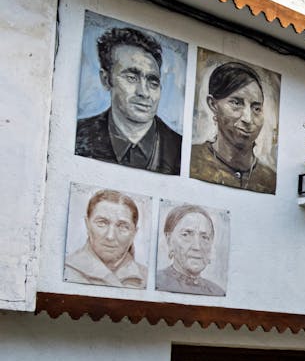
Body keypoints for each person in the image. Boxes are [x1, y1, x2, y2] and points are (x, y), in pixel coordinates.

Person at [75, 26, 182, 174]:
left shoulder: (179, 149)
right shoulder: (77, 136)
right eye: (131, 78)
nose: (144, 93)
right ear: (106, 80)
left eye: (153, 83)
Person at [190, 61, 276, 193]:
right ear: (213, 104)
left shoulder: (270, 179)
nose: (248, 119)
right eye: (236, 103)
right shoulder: (192, 160)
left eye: (256, 108)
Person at [64, 189, 148, 288]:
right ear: (87, 224)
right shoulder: (66, 269)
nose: (110, 236)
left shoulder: (146, 277)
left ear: (134, 233)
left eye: (122, 226)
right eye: (102, 223)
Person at [155, 204, 225, 295]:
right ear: (169, 240)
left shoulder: (217, 292)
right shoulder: (156, 282)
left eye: (204, 237)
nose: (197, 247)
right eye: (186, 235)